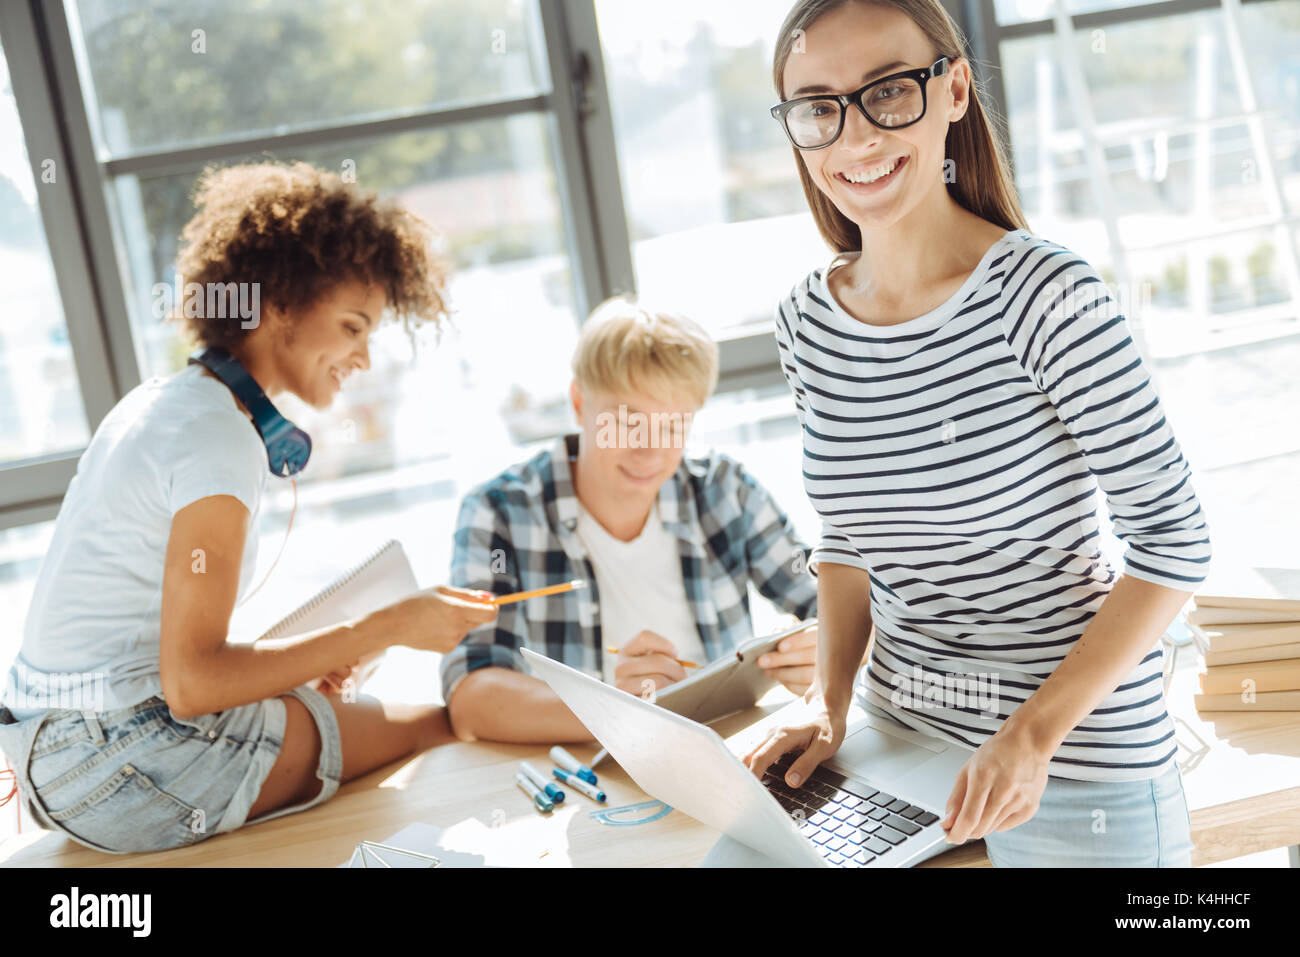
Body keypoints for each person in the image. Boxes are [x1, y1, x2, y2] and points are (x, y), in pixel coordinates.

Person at [744, 0, 1211, 868]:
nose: (855, 137)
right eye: (817, 107)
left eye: (888, 92)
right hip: (896, 750)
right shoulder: (806, 321)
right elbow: (846, 541)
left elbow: (1174, 541)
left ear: (954, 88)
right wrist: (826, 699)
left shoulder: (1047, 297)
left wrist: (1030, 736)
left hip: (1072, 766)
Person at [0, 162, 497, 854]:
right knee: (432, 720)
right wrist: (386, 625)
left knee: (340, 710)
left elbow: (178, 659)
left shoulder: (167, 403)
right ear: (278, 302)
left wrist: (296, 669)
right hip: (121, 756)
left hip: (42, 757)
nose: (362, 358)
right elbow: (194, 683)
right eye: (353, 327)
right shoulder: (217, 436)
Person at [442, 297, 823, 744]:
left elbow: (832, 603)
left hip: (723, 751)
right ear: (579, 403)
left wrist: (824, 651)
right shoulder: (500, 513)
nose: (651, 452)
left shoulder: (724, 491)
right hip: (586, 779)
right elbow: (471, 697)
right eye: (627, 422)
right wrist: (612, 708)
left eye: (672, 426)